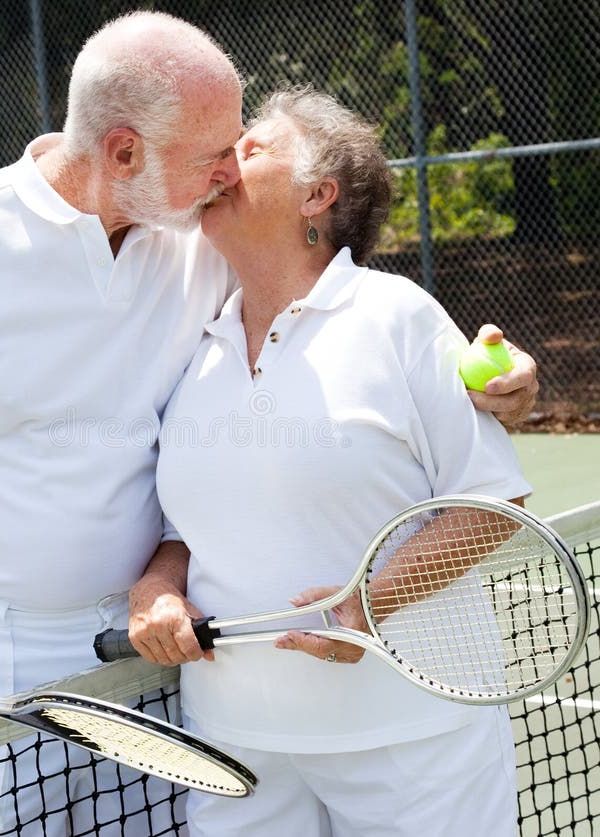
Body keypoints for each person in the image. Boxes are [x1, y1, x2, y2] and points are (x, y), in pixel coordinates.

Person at [0, 9, 534, 835]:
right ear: (123, 153)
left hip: (146, 670)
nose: (226, 173)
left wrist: (497, 380)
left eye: (241, 148)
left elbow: (329, 306)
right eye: (213, 154)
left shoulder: (200, 247)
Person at [127, 87, 531, 837]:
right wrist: (156, 590)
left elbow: (491, 506)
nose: (224, 164)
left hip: (414, 745)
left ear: (318, 193)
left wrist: (363, 603)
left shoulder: (397, 317)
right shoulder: (198, 347)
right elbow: (189, 533)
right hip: (236, 748)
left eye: (250, 149)